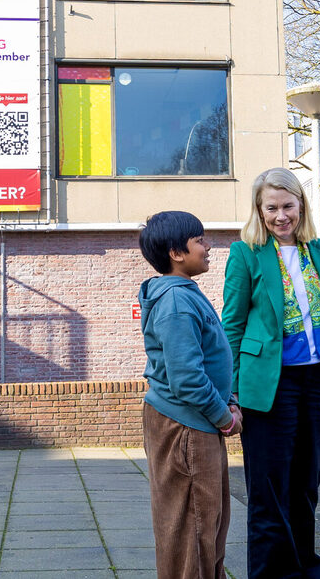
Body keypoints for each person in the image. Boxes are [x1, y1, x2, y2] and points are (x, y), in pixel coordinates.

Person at [221, 167, 320, 578]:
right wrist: (230, 393)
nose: (281, 216)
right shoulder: (245, 253)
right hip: (270, 386)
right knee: (269, 494)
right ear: (258, 211)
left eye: (288, 206)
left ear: (300, 205)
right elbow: (232, 324)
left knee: (305, 489)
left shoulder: (318, 248)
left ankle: (306, 572)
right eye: (271, 208)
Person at [137, 210, 241, 579]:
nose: (208, 245)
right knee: (193, 531)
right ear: (176, 253)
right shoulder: (177, 302)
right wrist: (224, 416)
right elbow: (186, 378)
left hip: (194, 424)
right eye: (200, 240)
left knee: (207, 527)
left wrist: (228, 401)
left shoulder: (183, 294)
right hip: (186, 426)